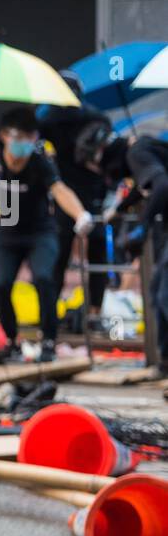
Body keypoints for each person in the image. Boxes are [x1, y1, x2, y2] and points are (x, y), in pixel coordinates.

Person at [0, 107, 96, 362]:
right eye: (18, 136)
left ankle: (49, 340)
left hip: (41, 232)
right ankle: (12, 341)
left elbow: (60, 189)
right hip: (7, 234)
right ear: (4, 135)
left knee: (44, 279)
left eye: (29, 138)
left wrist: (80, 214)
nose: (23, 143)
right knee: (0, 285)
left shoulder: (40, 162)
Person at [40, 72, 115, 326]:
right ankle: (85, 311)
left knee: (73, 255)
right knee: (71, 255)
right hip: (70, 194)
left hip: (83, 194)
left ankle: (86, 311)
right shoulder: (55, 119)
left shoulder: (51, 119)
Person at [92, 133, 168, 370]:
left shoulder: (136, 152)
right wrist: (121, 207)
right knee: (157, 291)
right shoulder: (147, 150)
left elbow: (162, 184)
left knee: (164, 295)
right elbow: (145, 185)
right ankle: (165, 362)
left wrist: (142, 227)